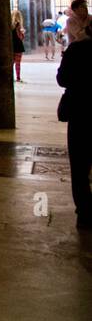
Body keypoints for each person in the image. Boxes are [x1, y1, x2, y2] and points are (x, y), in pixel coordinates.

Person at [56, 28, 91, 229]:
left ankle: (85, 212)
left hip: (80, 112)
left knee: (79, 166)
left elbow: (63, 79)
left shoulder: (77, 49)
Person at [11, 10, 25, 83]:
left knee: (11, 63)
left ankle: (10, 77)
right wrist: (23, 33)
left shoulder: (10, 25)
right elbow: (20, 37)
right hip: (18, 46)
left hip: (11, 46)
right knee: (18, 63)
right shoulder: (18, 25)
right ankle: (18, 78)